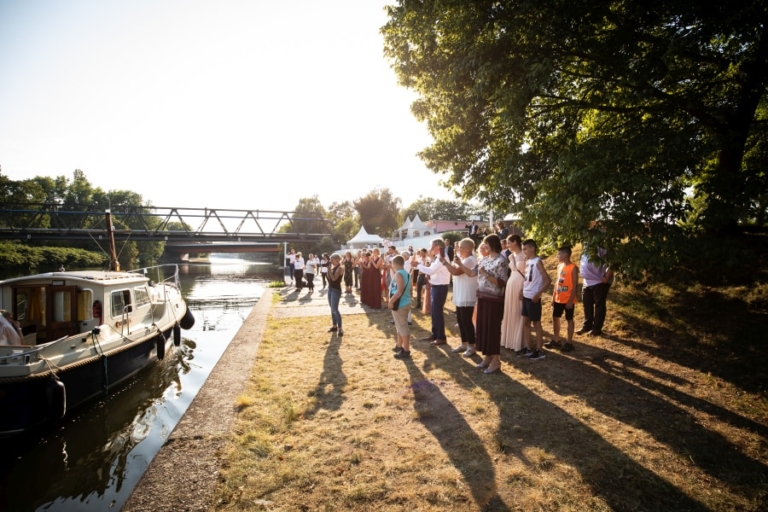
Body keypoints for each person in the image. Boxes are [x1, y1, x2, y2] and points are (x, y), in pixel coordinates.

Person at [473, 234, 508, 373]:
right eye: (484, 243)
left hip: (494, 298)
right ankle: (487, 356)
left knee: (492, 329)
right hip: (482, 296)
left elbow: (501, 283)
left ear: (493, 244)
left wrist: (485, 274)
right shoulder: (485, 259)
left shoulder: (501, 260)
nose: (485, 246)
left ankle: (496, 361)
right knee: (483, 327)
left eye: (487, 243)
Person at [443, 238, 478, 357]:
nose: (459, 249)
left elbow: (456, 272)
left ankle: (471, 346)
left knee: (466, 320)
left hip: (467, 293)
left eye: (461, 247)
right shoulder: (463, 259)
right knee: (460, 320)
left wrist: (445, 262)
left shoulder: (470, 260)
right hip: (460, 292)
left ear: (468, 248)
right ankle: (464, 343)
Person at [518, 239, 551, 361]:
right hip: (526, 295)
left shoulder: (538, 262)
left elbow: (547, 281)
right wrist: (522, 290)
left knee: (536, 323)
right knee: (526, 322)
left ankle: (539, 350)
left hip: (533, 297)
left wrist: (538, 294)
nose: (524, 251)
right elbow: (527, 279)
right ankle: (528, 347)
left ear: (532, 248)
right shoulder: (528, 261)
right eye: (522, 249)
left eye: (525, 249)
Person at [417, 239, 451, 346]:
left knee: (438, 312)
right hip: (435, 286)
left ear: (437, 246)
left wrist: (418, 265)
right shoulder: (438, 257)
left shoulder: (442, 257)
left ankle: (441, 337)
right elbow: (431, 269)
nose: (431, 249)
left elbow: (431, 271)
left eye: (432, 246)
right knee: (434, 312)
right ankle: (435, 333)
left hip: (440, 287)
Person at [545, 245, 579, 351]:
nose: (557, 256)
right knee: (555, 317)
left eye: (559, 254)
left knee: (569, 319)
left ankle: (569, 342)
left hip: (568, 299)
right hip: (558, 298)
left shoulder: (573, 267)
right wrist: (553, 297)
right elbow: (557, 283)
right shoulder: (559, 266)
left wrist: (570, 300)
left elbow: (574, 285)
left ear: (566, 255)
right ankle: (556, 340)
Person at [577, 246, 613, 336]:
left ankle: (596, 329)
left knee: (599, 305)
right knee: (587, 304)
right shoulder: (586, 246)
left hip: (599, 281)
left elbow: (613, 262)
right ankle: (587, 326)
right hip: (587, 282)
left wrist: (607, 276)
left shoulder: (601, 247)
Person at [500, 235, 526, 353]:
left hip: (520, 284)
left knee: (518, 310)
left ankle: (519, 341)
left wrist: (524, 288)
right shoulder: (511, 256)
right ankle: (509, 339)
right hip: (510, 284)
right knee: (510, 310)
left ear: (515, 242)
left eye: (509, 243)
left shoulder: (525, 256)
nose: (508, 245)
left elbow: (528, 274)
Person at [389, 256, 413, 359]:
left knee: (403, 327)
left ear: (395, 264)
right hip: (405, 302)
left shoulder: (399, 274)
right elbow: (410, 289)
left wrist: (391, 301)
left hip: (400, 304)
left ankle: (406, 350)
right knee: (399, 325)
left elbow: (399, 291)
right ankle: (399, 345)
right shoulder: (407, 273)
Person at [326, 254, 345, 336]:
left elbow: (334, 279)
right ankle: (334, 326)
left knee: (335, 309)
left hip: (336, 290)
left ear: (337, 260)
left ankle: (340, 328)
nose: (331, 262)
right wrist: (328, 271)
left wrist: (329, 270)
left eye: (332, 260)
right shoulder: (333, 268)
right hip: (330, 289)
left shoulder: (340, 268)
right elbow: (328, 278)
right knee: (332, 309)